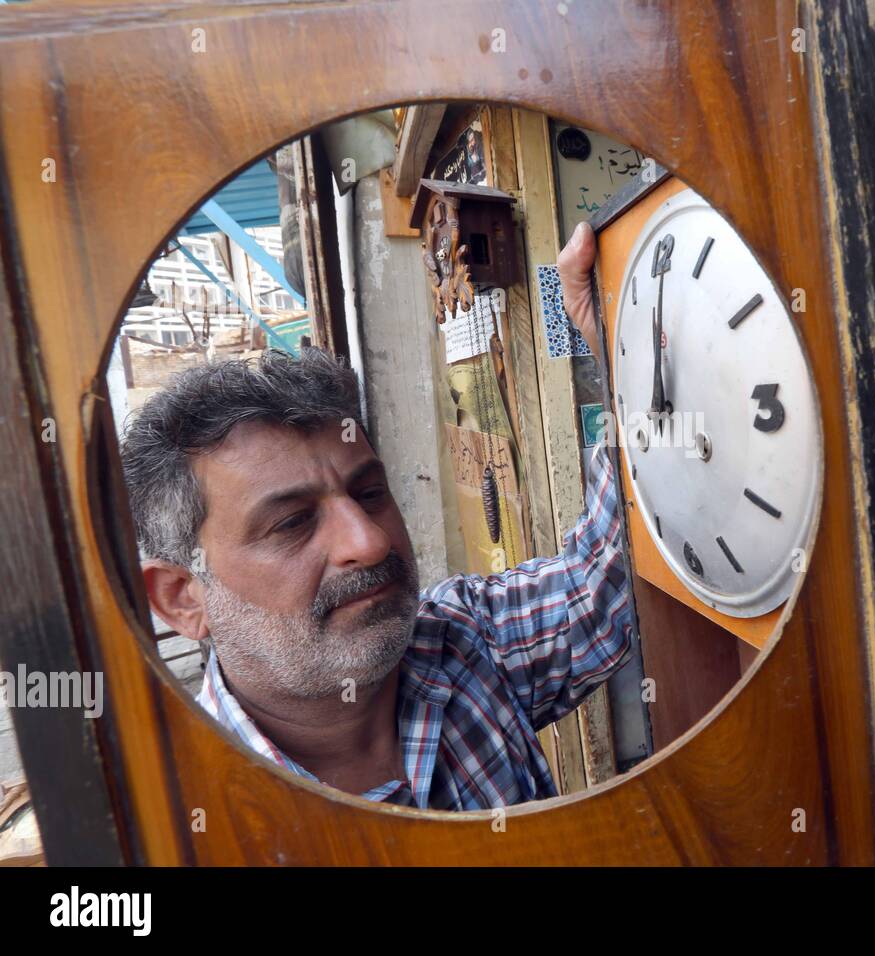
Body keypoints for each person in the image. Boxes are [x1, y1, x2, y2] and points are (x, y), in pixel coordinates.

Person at [121, 223, 630, 810]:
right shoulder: (186, 823)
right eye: (290, 524)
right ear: (183, 597)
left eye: (368, 494)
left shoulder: (460, 644)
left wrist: (618, 351)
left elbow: (602, 584)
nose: (369, 542)